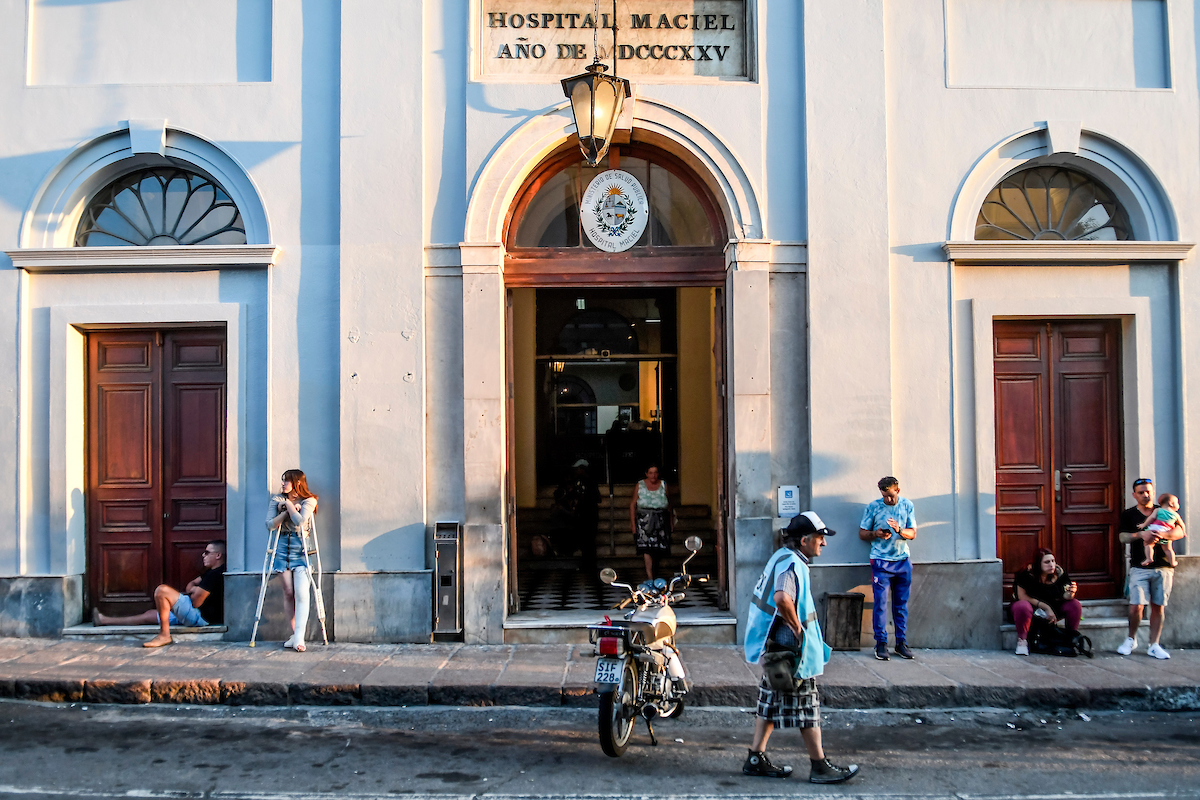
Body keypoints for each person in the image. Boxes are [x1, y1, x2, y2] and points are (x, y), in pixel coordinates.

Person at [742, 512, 859, 783]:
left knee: (769, 703)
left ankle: (756, 758)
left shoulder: (782, 557)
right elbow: (783, 598)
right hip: (792, 654)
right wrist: (798, 629)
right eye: (820, 538)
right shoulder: (793, 564)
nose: (824, 543)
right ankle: (819, 766)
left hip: (775, 650)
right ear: (805, 540)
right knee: (808, 710)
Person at [93, 541, 225, 648]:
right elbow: (190, 585)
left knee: (162, 591)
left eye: (207, 552)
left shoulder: (216, 575)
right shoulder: (209, 573)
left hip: (200, 617)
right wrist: (196, 589)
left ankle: (164, 635)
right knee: (149, 615)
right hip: (192, 609)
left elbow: (196, 602)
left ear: (218, 555)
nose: (203, 555)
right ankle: (104, 620)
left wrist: (195, 590)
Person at [1117, 478, 1185, 659]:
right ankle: (1131, 639)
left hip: (1163, 566)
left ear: (1153, 492)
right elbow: (1123, 537)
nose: (1145, 495)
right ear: (1134, 495)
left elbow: (1180, 531)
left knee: (1158, 607)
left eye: (1148, 491)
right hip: (1139, 567)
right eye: (1141, 492)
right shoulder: (1129, 514)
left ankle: (1154, 644)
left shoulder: (1164, 510)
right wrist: (1141, 534)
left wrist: (1162, 533)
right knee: (1136, 607)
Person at [857, 476, 917, 661]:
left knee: (901, 605)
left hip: (902, 561)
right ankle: (881, 643)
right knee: (880, 604)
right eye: (884, 496)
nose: (888, 500)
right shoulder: (873, 507)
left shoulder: (907, 506)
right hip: (880, 561)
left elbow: (912, 534)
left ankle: (901, 642)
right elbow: (862, 533)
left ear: (897, 491)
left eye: (890, 496)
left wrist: (899, 530)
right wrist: (876, 533)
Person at [266, 469, 319, 652]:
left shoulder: (309, 501)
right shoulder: (277, 500)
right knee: (288, 592)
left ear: (296, 483)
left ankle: (299, 637)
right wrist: (287, 508)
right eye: (283, 481)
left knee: (301, 593)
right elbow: (270, 524)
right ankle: (294, 634)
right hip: (281, 549)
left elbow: (300, 521)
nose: (283, 484)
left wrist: (288, 507)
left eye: (286, 481)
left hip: (300, 548)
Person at [1011, 548, 1082, 656]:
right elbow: (1022, 596)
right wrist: (1046, 607)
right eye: (1047, 562)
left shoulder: (1059, 574)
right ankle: (1022, 641)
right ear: (1038, 564)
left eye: (1053, 561)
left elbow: (1064, 597)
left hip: (1053, 609)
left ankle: (1070, 639)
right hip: (1031, 610)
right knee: (1022, 606)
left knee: (1074, 604)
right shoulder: (1026, 575)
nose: (1051, 565)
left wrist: (1070, 593)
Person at [551, 458, 601, 576]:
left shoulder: (589, 483)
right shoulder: (578, 482)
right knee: (585, 541)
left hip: (590, 514)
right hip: (582, 515)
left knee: (589, 541)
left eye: (578, 469)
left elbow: (597, 498)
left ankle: (590, 566)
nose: (576, 471)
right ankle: (586, 565)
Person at [629, 463, 674, 581]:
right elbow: (633, 504)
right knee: (647, 549)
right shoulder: (640, 485)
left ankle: (656, 572)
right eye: (650, 473)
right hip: (644, 521)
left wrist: (671, 522)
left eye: (655, 472)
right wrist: (633, 524)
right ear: (646, 474)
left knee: (659, 549)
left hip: (661, 520)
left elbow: (669, 504)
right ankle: (650, 576)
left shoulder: (664, 485)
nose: (653, 475)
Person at [1138, 493, 1182, 567]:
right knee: (1168, 549)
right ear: (1171, 503)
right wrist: (1183, 531)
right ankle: (1172, 562)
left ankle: (1149, 558)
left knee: (1148, 544)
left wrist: (1143, 525)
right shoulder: (1175, 514)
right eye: (1177, 503)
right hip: (1166, 531)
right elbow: (1181, 524)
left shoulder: (1158, 510)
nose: (1178, 505)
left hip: (1154, 530)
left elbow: (1151, 518)